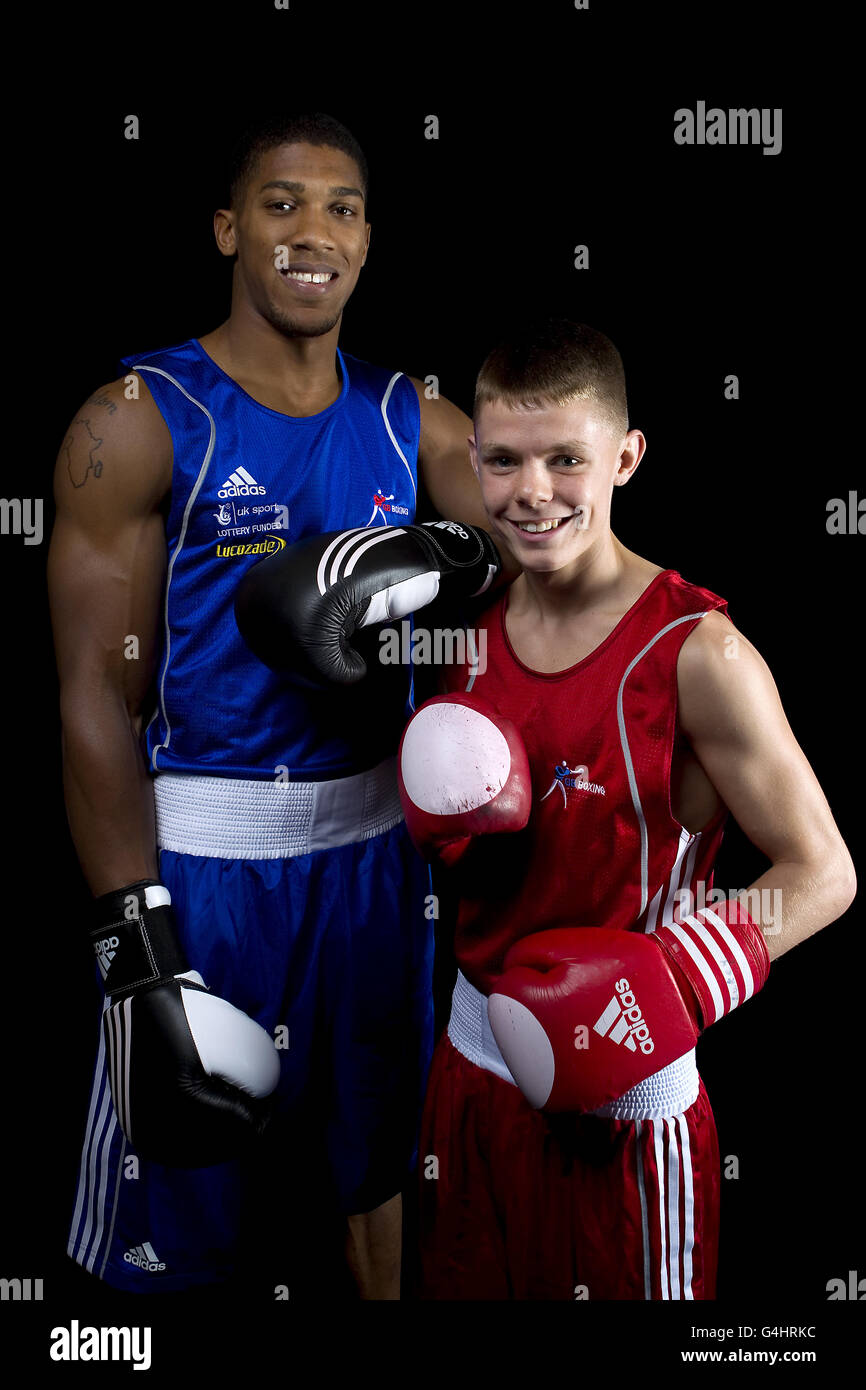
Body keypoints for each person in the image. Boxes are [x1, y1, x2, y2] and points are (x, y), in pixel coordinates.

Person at [48, 111, 501, 1300]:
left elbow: (547, 550)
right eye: (282, 203)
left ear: (367, 241)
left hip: (371, 872)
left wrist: (446, 555)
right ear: (226, 229)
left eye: (341, 207)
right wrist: (137, 950)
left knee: (380, 1181)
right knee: (169, 1224)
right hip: (208, 871)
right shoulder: (141, 418)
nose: (314, 231)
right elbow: (95, 693)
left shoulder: (418, 421)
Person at [395, 318, 857, 1300]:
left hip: (621, 1117)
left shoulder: (696, 652)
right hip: (469, 1085)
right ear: (473, 459)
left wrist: (669, 982)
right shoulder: (465, 630)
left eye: (566, 459)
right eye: (507, 461)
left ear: (625, 456)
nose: (532, 491)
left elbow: (821, 873)